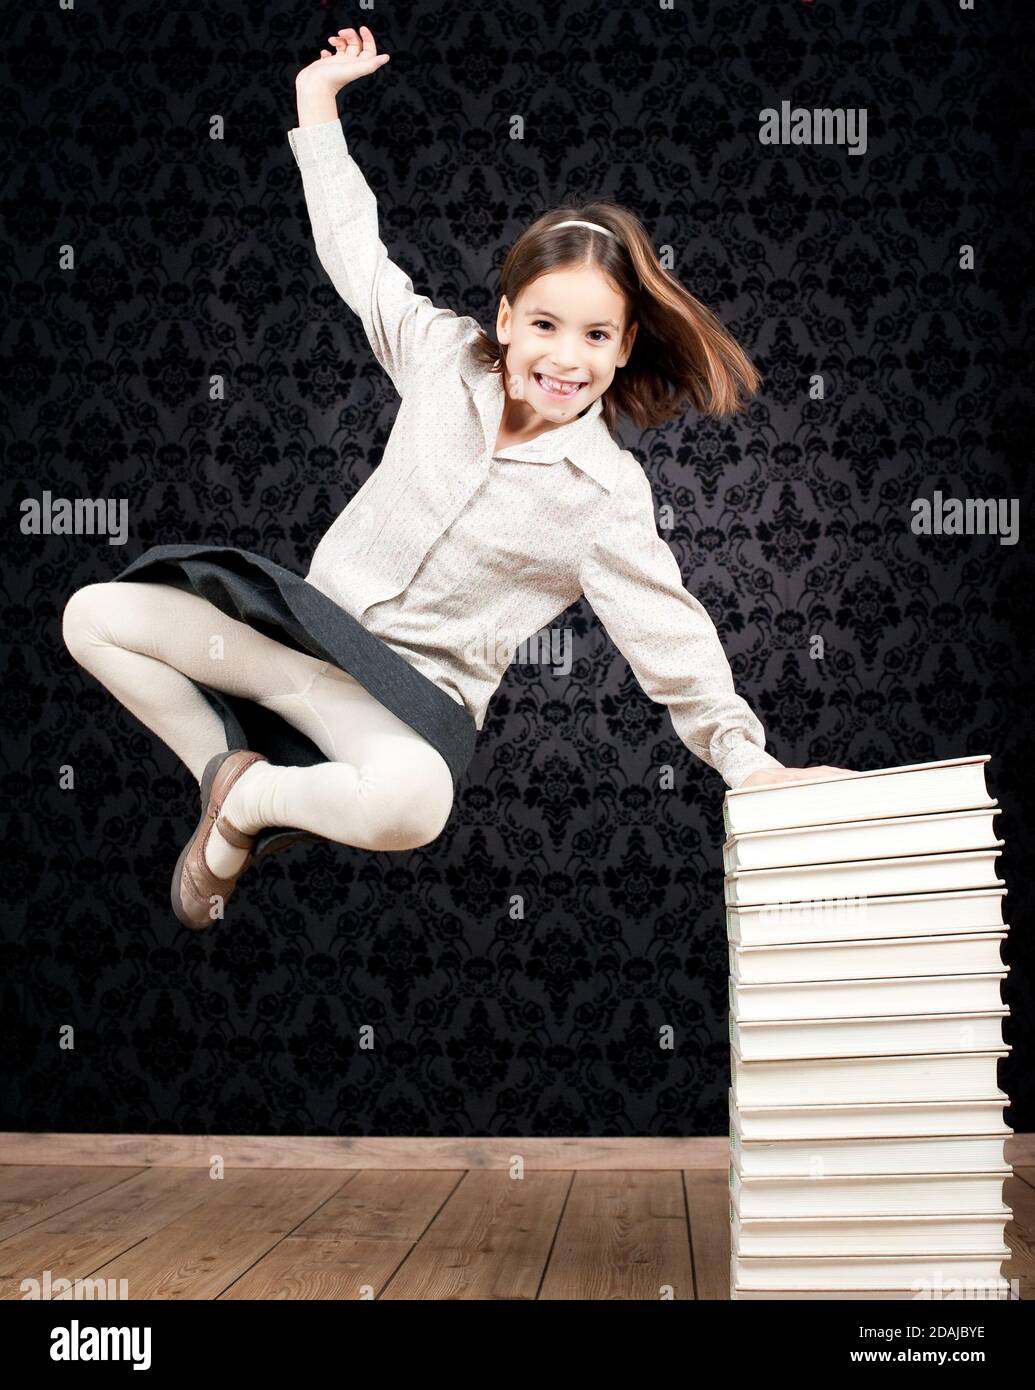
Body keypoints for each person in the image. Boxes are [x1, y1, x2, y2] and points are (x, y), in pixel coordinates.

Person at [61, 24, 850, 930]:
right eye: (546, 324)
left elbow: (670, 641)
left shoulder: (603, 496)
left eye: (596, 337)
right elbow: (358, 256)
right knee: (96, 613)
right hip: (294, 646)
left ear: (625, 345)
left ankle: (248, 806)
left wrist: (748, 761)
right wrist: (316, 105)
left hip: (406, 709)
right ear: (506, 316)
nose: (566, 357)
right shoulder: (442, 357)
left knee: (412, 809)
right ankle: (223, 771)